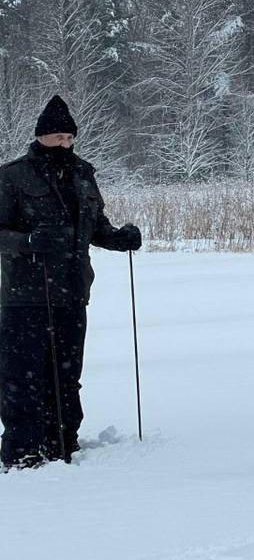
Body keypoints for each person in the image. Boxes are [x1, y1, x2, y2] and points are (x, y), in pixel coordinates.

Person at [0, 95, 142, 470]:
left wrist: (119, 238)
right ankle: (23, 451)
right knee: (22, 375)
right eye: (58, 137)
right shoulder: (12, 176)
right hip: (24, 297)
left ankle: (63, 442)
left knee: (66, 374)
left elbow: (94, 226)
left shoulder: (83, 173)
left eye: (69, 137)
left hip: (72, 292)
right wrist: (25, 242)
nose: (65, 144)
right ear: (41, 136)